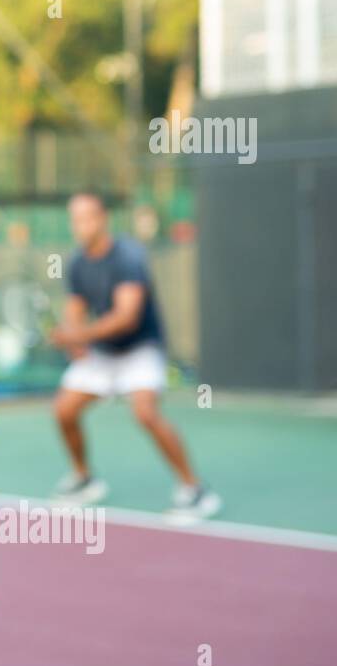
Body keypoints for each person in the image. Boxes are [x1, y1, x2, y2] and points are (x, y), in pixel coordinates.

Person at [47, 191, 221, 519]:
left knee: (145, 413)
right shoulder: (77, 262)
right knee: (64, 411)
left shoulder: (128, 255)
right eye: (75, 220)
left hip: (140, 349)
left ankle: (194, 489)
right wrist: (74, 339)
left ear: (102, 219)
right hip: (102, 355)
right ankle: (84, 479)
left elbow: (127, 316)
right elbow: (75, 308)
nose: (80, 226)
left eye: (86, 218)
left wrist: (80, 334)